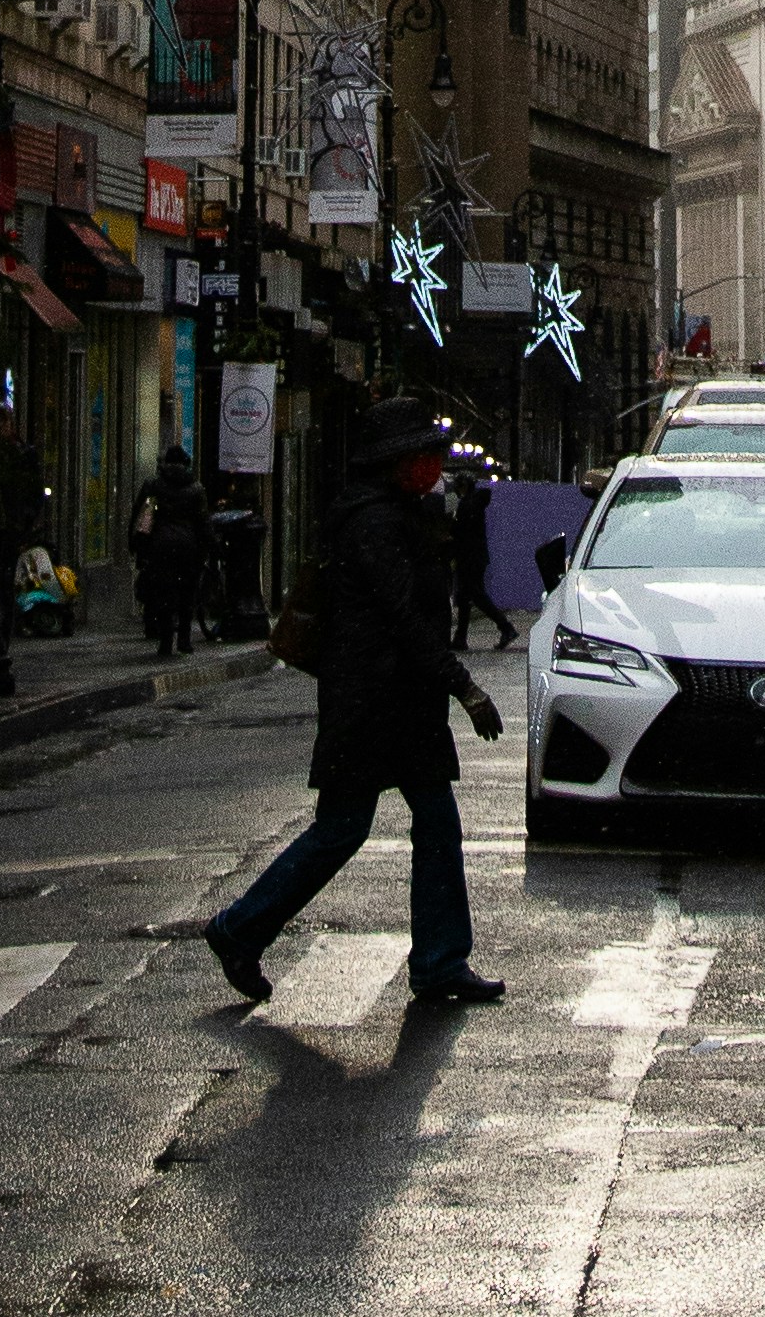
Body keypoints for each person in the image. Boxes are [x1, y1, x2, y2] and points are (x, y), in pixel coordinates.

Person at [205, 397, 505, 1014]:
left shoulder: (393, 514)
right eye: (425, 457)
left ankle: (440, 960)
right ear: (397, 461)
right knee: (345, 828)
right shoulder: (376, 524)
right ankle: (241, 928)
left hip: (390, 699)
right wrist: (464, 686)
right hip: (374, 702)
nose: (435, 468)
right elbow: (406, 619)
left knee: (427, 822)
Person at [130, 438, 209, 659]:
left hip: (161, 547)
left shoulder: (154, 485)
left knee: (164, 593)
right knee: (187, 593)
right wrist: (209, 546)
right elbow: (203, 522)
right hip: (188, 548)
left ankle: (165, 641)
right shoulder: (196, 488)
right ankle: (184, 639)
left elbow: (142, 515)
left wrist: (136, 543)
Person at [449, 453, 517, 652]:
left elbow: (461, 531)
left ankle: (505, 627)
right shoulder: (476, 503)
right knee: (467, 596)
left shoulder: (466, 505)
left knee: (474, 595)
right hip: (475, 556)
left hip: (469, 557)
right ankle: (460, 638)